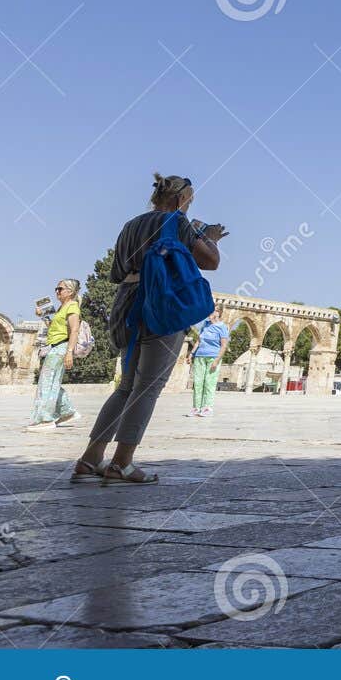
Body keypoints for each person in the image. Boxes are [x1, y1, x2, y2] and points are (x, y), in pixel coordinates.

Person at [71, 174, 223, 485]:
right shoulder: (178, 222)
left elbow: (116, 273)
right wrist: (210, 238)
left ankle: (91, 457)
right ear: (180, 200)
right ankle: (122, 462)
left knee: (126, 386)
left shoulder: (130, 225)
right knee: (148, 388)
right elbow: (210, 261)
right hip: (162, 307)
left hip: (127, 305)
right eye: (189, 201)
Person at [27, 279, 82, 431]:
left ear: (70, 292)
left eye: (60, 289)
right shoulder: (61, 308)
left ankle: (46, 419)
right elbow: (54, 328)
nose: (57, 291)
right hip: (55, 346)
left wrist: (69, 352)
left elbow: (74, 330)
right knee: (51, 381)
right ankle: (67, 412)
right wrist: (43, 316)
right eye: (56, 289)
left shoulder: (72, 306)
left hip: (62, 347)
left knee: (47, 382)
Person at [187, 305, 229, 417]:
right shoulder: (205, 325)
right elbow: (199, 341)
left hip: (213, 357)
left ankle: (207, 408)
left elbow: (224, 346)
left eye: (213, 311)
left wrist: (217, 360)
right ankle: (196, 407)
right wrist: (192, 354)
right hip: (200, 356)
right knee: (198, 382)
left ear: (219, 313)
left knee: (209, 382)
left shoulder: (222, 327)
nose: (210, 313)